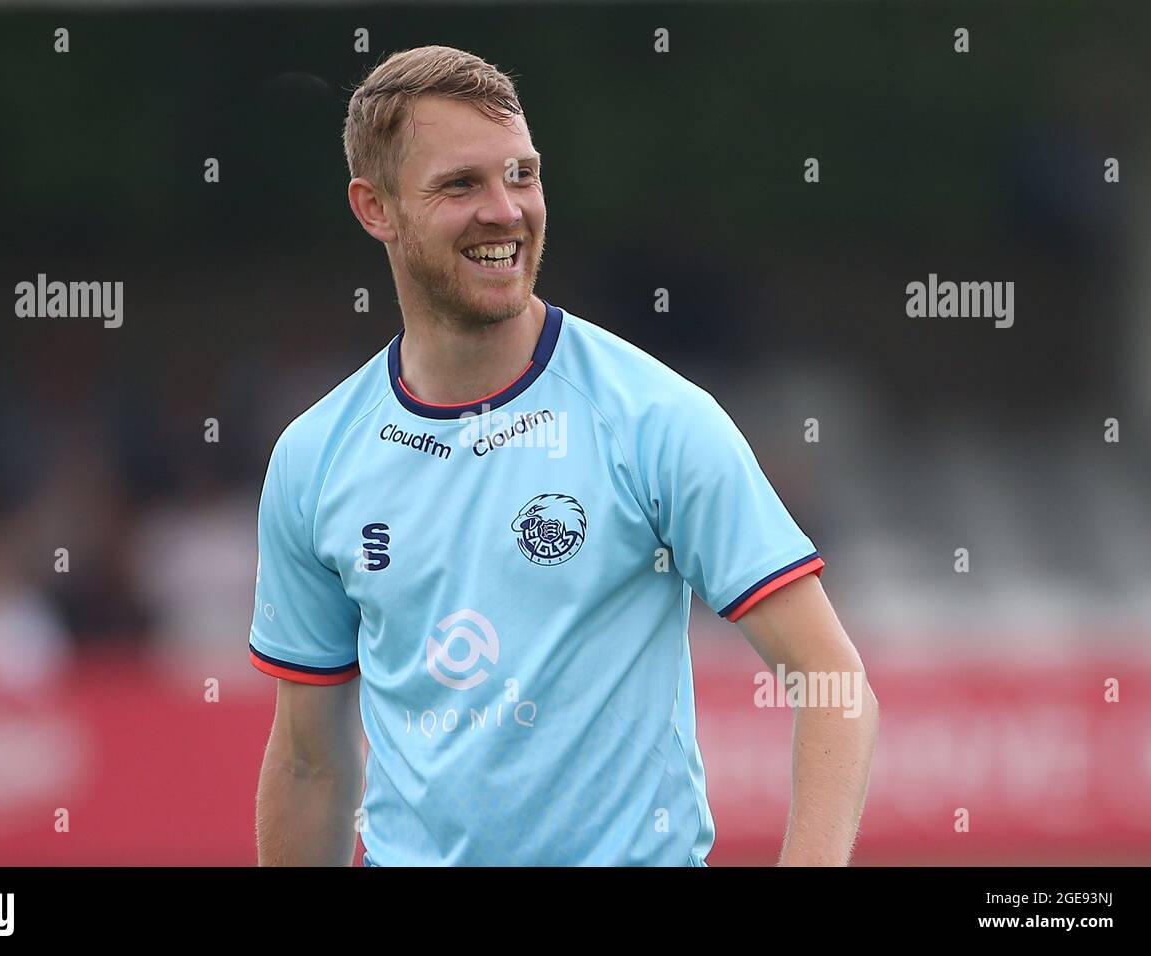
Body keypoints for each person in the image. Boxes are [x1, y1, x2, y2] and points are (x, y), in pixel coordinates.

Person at [251, 45, 878, 866]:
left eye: (521, 175)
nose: (505, 211)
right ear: (376, 208)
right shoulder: (314, 458)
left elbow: (832, 685)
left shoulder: (656, 419)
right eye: (460, 185)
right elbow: (309, 762)